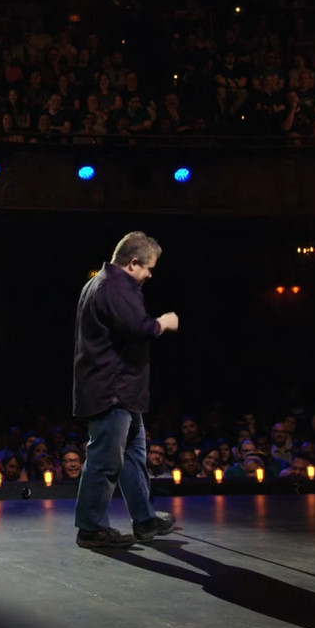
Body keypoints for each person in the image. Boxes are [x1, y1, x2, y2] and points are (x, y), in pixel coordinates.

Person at [72, 231, 180, 549]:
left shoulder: (105, 282)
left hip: (122, 388)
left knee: (134, 455)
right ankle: (90, 528)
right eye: (148, 268)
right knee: (105, 459)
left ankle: (144, 519)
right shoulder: (114, 285)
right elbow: (138, 328)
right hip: (112, 388)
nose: (149, 275)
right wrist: (164, 322)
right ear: (133, 263)